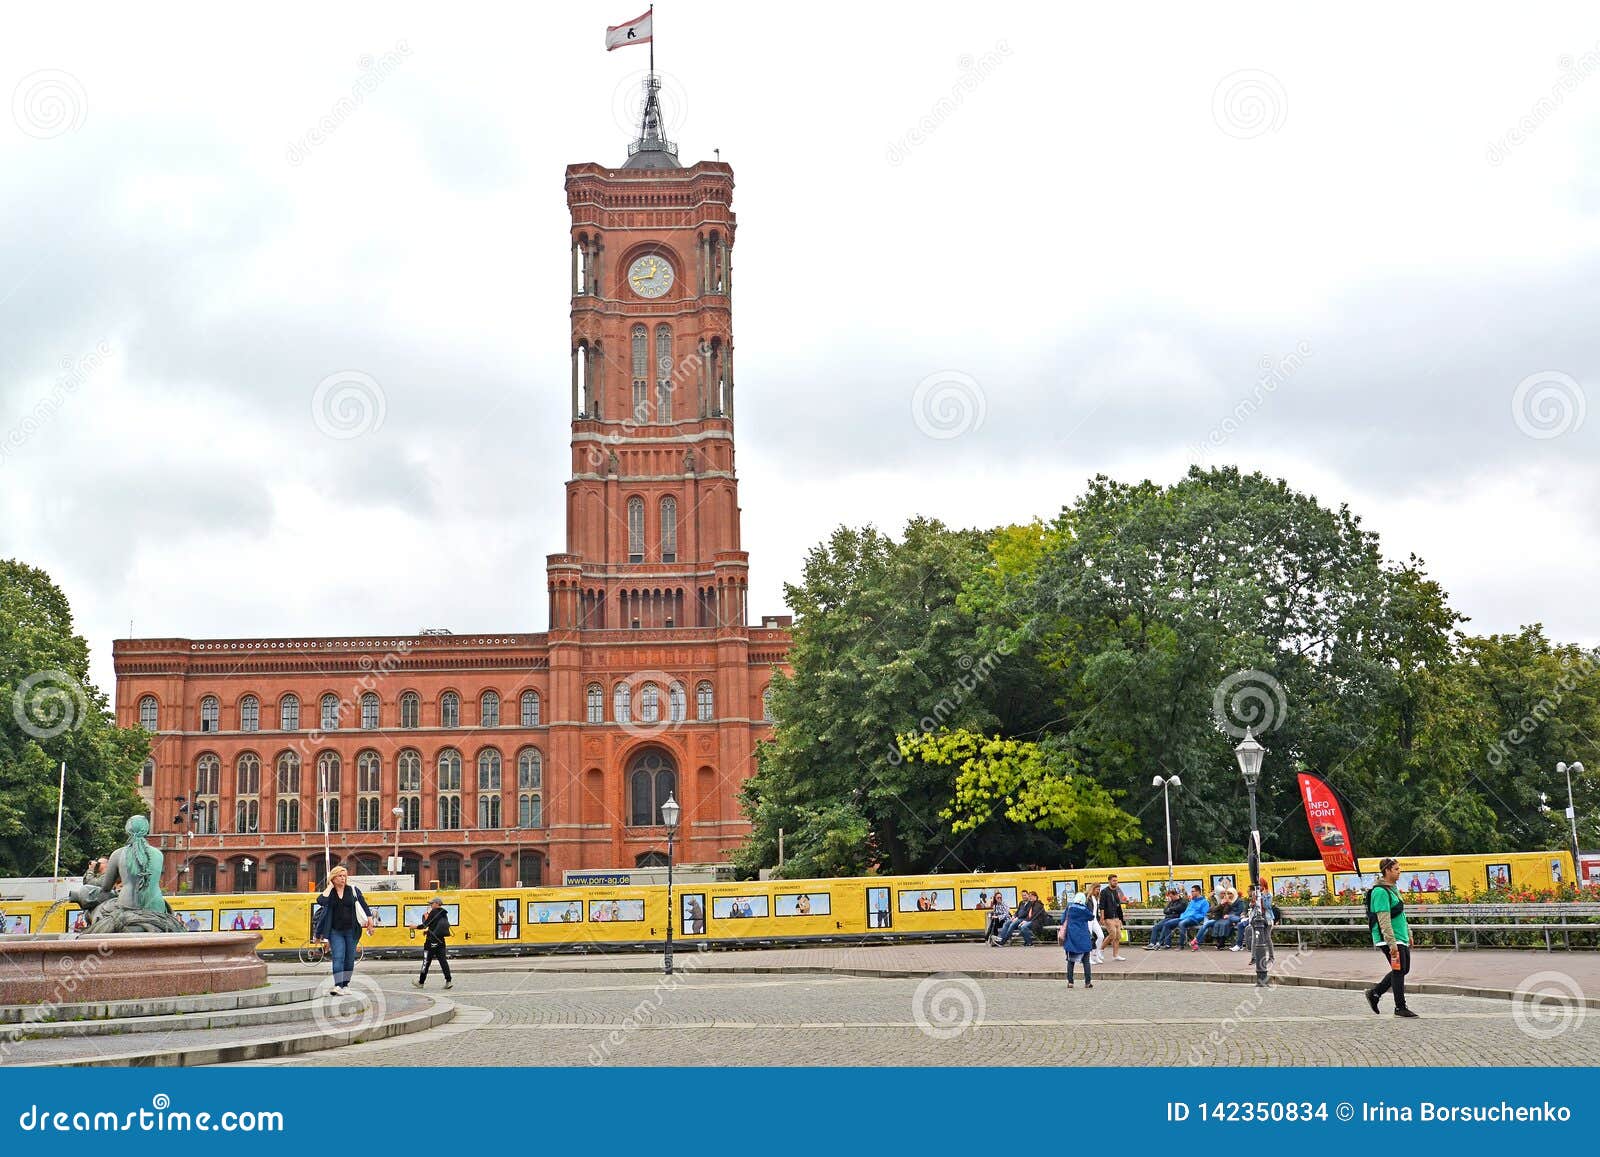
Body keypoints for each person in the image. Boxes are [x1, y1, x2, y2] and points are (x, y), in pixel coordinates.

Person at [1364, 857, 1418, 1018]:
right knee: (1399, 970)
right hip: (1389, 937)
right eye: (1396, 869)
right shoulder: (1380, 891)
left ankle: (1375, 993)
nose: (1399, 871)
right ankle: (1400, 1007)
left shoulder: (1393, 889)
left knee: (1403, 969)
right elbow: (1383, 919)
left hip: (1401, 936)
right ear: (1387, 870)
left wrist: (1409, 933)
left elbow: (1401, 914)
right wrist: (1391, 942)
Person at [311, 865, 377, 996]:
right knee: (338, 957)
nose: (343, 878)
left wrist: (370, 922)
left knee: (349, 958)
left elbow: (364, 905)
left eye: (344, 876)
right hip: (336, 931)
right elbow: (321, 901)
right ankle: (337, 985)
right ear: (333, 878)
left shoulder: (352, 890)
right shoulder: (330, 893)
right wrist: (329, 887)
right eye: (340, 876)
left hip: (352, 931)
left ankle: (346, 984)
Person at [413, 896, 453, 989]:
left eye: (431, 903)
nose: (430, 905)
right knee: (443, 961)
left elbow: (424, 925)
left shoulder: (433, 912)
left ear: (436, 904)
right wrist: (428, 931)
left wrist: (413, 927)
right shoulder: (444, 913)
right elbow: (438, 927)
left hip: (430, 942)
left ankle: (421, 982)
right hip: (441, 941)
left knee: (426, 962)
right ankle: (448, 981)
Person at [1061, 892, 1094, 988]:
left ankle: (1070, 982)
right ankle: (1088, 983)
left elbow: (1063, 919)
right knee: (1086, 961)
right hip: (1083, 937)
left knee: (1070, 961)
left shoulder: (1069, 907)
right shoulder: (1084, 909)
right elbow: (1091, 917)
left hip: (1071, 936)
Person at [1098, 875, 1126, 960]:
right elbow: (1102, 906)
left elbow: (1118, 906)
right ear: (1109, 881)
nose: (1116, 882)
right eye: (1114, 881)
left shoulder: (1116, 891)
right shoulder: (1104, 891)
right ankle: (1101, 949)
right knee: (1112, 934)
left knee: (1118, 936)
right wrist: (1102, 917)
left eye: (1116, 881)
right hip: (1108, 917)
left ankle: (1116, 955)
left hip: (1116, 917)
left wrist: (1121, 919)